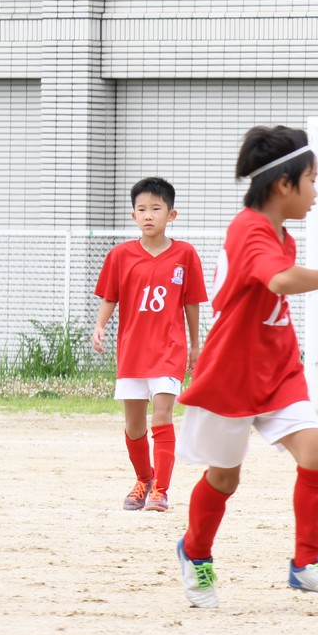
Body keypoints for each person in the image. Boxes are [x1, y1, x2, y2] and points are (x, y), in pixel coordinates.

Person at [173, 126, 318, 609]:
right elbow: (277, 279)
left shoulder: (279, 232)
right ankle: (195, 553)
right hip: (230, 375)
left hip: (277, 370)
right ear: (284, 184)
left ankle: (306, 563)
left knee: (316, 452)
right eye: (312, 180)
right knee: (224, 479)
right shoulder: (249, 227)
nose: (316, 192)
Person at [92, 177, 206, 513]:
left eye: (156, 208)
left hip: (169, 349)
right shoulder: (120, 255)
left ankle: (162, 492)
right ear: (133, 216)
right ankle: (144, 480)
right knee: (134, 424)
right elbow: (110, 296)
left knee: (161, 417)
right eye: (141, 209)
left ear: (172, 215)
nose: (148, 215)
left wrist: (195, 345)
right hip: (132, 351)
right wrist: (99, 326)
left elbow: (192, 303)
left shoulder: (185, 254)